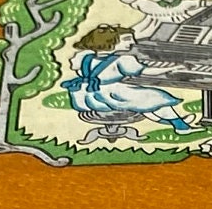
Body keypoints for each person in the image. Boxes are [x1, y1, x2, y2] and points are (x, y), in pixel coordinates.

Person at [59, 25, 195, 141]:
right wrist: (173, 68)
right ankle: (181, 127)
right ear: (111, 41)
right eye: (127, 39)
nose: (132, 42)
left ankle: (171, 121)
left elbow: (81, 71)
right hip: (111, 95)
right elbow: (147, 71)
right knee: (155, 97)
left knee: (142, 100)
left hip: (89, 95)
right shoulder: (124, 59)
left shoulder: (85, 57)